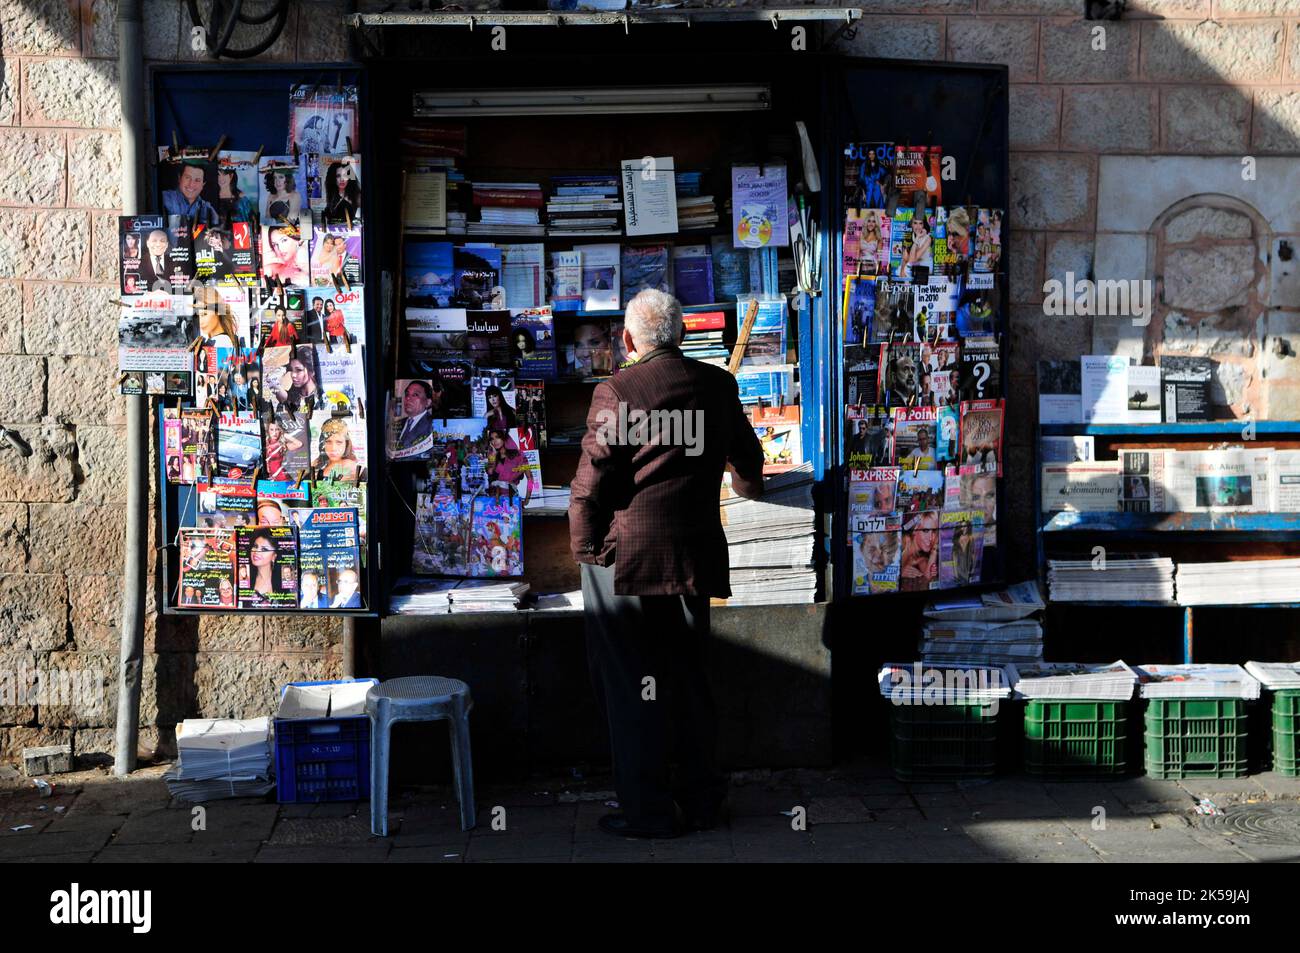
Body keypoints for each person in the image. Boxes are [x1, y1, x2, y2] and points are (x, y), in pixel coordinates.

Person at [569, 289, 765, 839]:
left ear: (629, 341)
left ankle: (650, 812)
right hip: (692, 555)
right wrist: (744, 487)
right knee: (689, 679)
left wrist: (586, 550)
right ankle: (703, 800)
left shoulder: (618, 390)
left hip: (627, 562)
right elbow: (749, 463)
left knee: (633, 686)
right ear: (681, 335)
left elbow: (590, 485)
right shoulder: (717, 385)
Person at [486, 428, 532, 505]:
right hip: (493, 500)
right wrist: (493, 456)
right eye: (492, 439)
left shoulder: (519, 455)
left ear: (504, 438)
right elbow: (490, 472)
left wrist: (527, 499)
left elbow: (530, 478)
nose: (494, 441)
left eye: (497, 437)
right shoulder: (492, 456)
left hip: (511, 499)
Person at [314, 415, 362, 482]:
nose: (333, 448)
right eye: (328, 442)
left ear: (346, 443)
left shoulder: (351, 466)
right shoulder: (317, 462)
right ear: (323, 443)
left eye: (339, 442)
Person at [271, 346, 318, 414]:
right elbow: (271, 379)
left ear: (312, 371)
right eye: (291, 370)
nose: (293, 375)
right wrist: (287, 367)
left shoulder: (321, 397)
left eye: (298, 370)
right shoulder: (289, 397)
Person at [900, 510, 939, 591]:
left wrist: (934, 551)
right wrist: (899, 573)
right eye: (925, 531)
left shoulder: (921, 557)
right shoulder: (904, 543)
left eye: (934, 531)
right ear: (915, 530)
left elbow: (927, 578)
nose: (931, 538)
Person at [245, 527, 283, 603]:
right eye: (255, 546)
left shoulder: (283, 582)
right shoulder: (244, 579)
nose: (256, 552)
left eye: (264, 549)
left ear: (274, 556)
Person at [395, 379, 435, 450]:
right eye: (407, 394)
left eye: (415, 395)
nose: (408, 398)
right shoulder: (397, 424)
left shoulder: (433, 424)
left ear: (428, 402)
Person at [263, 416, 303, 481]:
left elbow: (299, 444)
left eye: (277, 429)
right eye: (272, 429)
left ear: (280, 430)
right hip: (270, 476)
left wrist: (285, 435)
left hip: (281, 476)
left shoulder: (282, 445)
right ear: (268, 430)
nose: (274, 433)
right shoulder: (265, 443)